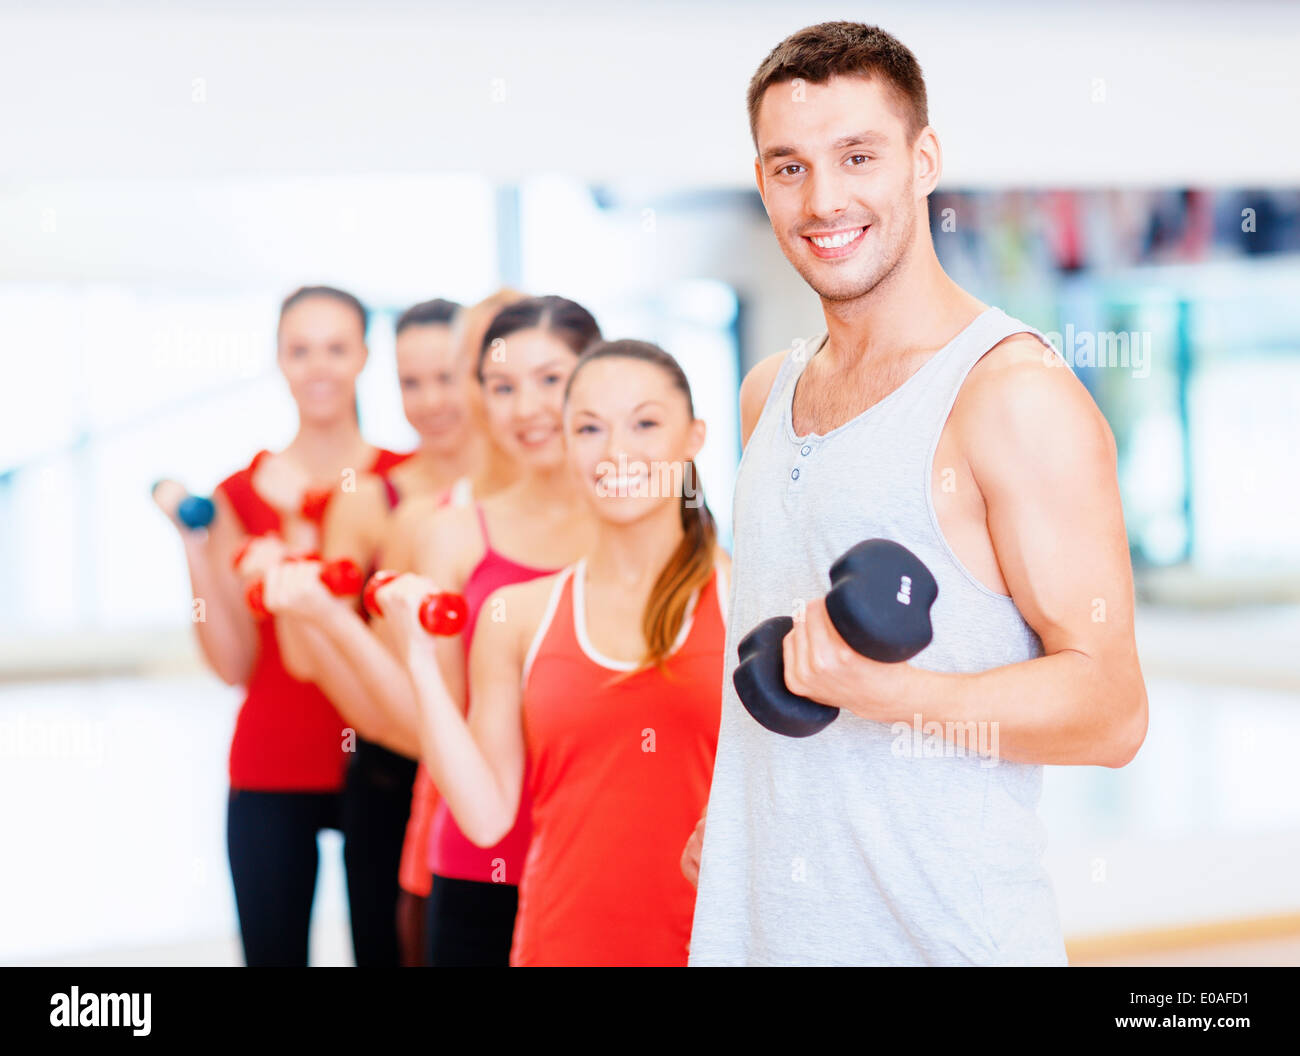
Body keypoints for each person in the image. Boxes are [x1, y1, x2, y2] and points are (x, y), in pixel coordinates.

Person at [684, 22, 1148, 966]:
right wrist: (736, 811)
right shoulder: (768, 391)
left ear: (923, 159)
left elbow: (1112, 711)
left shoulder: (1011, 395)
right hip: (759, 934)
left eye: (859, 155)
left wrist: (891, 696)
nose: (824, 199)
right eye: (789, 167)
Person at [264, 295, 603, 966]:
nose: (525, 404)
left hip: (606, 841)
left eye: (548, 379)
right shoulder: (434, 524)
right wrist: (332, 619)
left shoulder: (644, 509)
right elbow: (411, 722)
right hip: (477, 851)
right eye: (500, 382)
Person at [382, 340, 729, 966]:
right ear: (567, 446)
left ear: (693, 437)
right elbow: (486, 819)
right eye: (590, 428)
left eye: (645, 423)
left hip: (712, 947)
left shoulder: (747, 596)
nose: (617, 452)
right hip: (557, 944)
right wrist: (417, 656)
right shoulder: (515, 615)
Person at [154, 285, 408, 967]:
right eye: (300, 350)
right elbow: (233, 662)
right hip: (272, 760)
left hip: (386, 764)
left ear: (363, 356)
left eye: (335, 347)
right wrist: (195, 549)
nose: (318, 366)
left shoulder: (403, 481)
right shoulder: (237, 492)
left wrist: (300, 537)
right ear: (278, 360)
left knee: (389, 953)